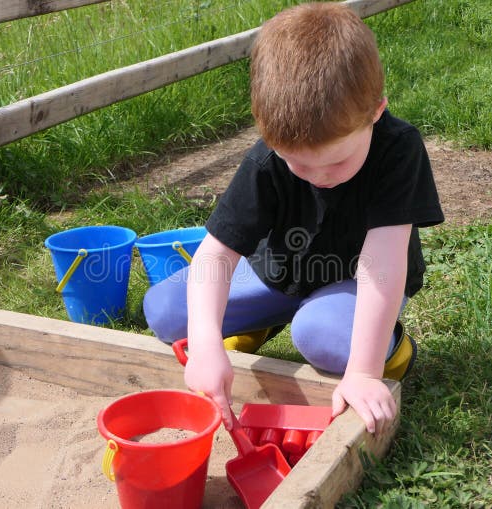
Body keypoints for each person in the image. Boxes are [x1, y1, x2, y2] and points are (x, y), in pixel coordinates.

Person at [143, 2, 443, 434]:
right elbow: (217, 252)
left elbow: (384, 264)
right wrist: (207, 345)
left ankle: (393, 351)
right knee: (166, 311)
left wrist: (363, 371)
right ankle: (264, 319)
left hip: (356, 285)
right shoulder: (267, 159)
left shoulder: (398, 149)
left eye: (336, 163)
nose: (319, 178)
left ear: (375, 112)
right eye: (298, 166)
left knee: (320, 335)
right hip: (279, 274)